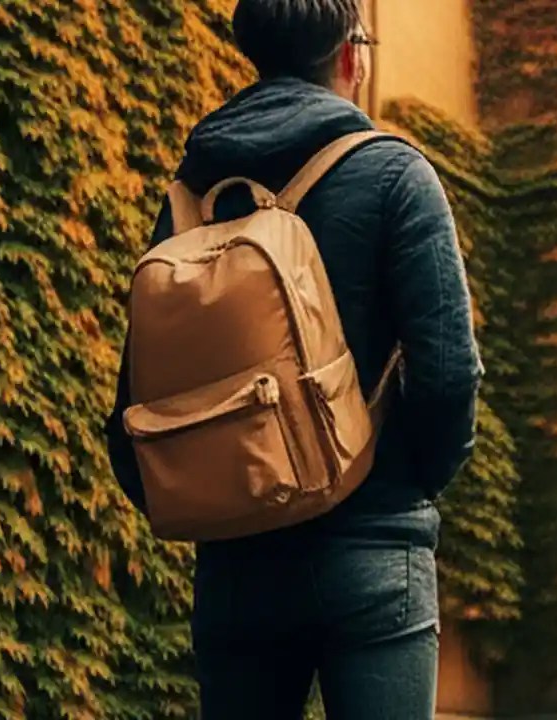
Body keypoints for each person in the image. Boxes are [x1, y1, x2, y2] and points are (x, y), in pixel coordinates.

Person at [103, 0, 483, 717]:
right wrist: (402, 492)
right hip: (373, 554)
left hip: (237, 568)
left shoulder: (190, 196)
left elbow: (132, 405)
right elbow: (448, 374)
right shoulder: (397, 176)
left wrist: (209, 501)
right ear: (350, 55)